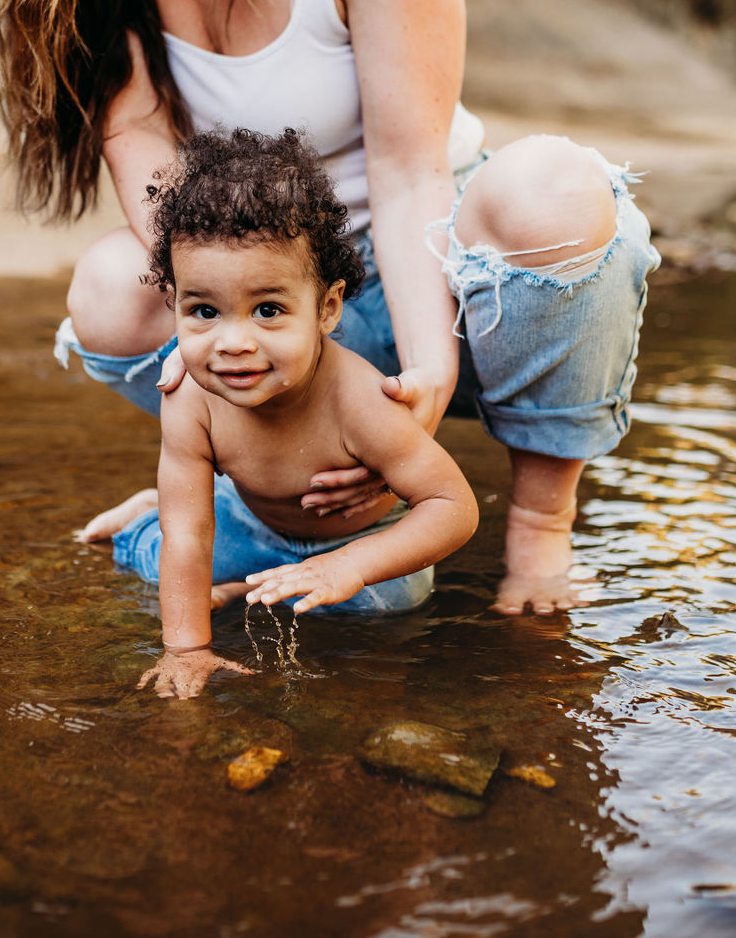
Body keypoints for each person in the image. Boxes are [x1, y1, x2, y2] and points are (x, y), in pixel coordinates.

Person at [0, 0, 660, 615]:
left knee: (551, 189)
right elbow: (167, 210)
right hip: (275, 298)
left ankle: (539, 528)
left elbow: (406, 173)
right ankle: (244, 483)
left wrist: (424, 377)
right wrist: (195, 443)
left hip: (439, 285)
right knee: (110, 285)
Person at [80, 127, 479, 698]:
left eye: (267, 310)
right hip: (251, 522)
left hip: (353, 539)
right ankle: (150, 512)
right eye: (204, 311)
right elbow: (189, 536)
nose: (233, 342)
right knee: (160, 555)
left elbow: (452, 506)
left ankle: (249, 584)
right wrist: (186, 649)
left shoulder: (360, 401)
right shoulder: (192, 398)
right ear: (174, 303)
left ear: (327, 308)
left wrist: (352, 566)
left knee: (390, 603)